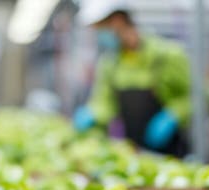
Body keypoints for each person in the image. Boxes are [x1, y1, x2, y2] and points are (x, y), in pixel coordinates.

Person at [74, 0, 191, 158]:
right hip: (135, 152)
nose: (99, 35)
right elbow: (105, 103)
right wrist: (92, 115)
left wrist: (172, 116)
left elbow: (197, 97)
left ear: (117, 21)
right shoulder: (110, 64)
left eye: (101, 28)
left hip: (173, 151)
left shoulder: (167, 55)